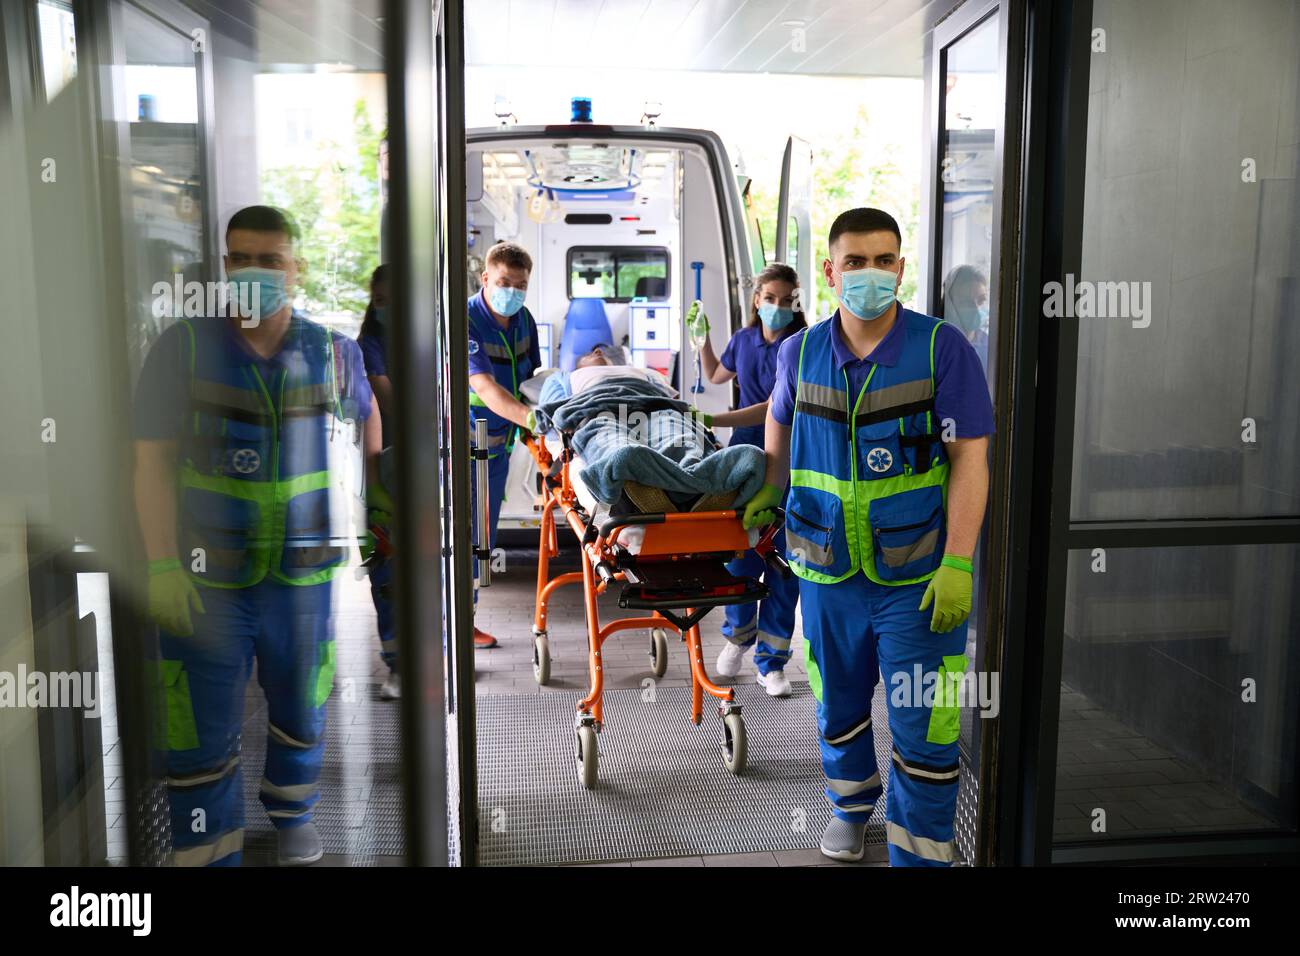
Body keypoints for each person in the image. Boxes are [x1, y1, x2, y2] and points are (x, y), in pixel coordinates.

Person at [743, 207, 994, 865]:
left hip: (921, 580)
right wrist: (772, 487)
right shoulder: (799, 351)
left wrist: (960, 562)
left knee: (928, 730)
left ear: (902, 269)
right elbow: (779, 421)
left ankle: (919, 855)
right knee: (838, 708)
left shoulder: (942, 349)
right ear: (830, 272)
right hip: (827, 576)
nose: (870, 274)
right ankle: (850, 810)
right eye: (855, 261)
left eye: (884, 261)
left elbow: (970, 459)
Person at [134, 205, 382, 866]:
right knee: (199, 729)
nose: (255, 272)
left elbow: (372, 433)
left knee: (302, 708)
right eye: (241, 258)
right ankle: (208, 851)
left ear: (294, 268)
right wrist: (161, 565)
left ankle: (292, 812)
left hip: (302, 579)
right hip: (204, 579)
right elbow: (151, 462)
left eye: (270, 259)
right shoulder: (182, 348)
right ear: (224, 266)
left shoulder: (331, 351)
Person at [686, 263, 805, 696]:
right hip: (744, 458)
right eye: (769, 297)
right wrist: (703, 341)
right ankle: (739, 634)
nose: (776, 306)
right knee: (738, 552)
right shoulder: (745, 340)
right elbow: (718, 374)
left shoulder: (800, 347)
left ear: (796, 302)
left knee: (784, 558)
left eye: (785, 299)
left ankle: (771, 662)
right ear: (757, 299)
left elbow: (774, 408)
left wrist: (710, 418)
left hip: (788, 457)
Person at [467, 242, 541, 648]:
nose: (511, 291)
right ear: (485, 279)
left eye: (520, 285)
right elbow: (485, 387)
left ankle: (465, 620)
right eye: (503, 283)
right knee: (464, 539)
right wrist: (534, 423)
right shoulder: (466, 319)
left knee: (483, 540)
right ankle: (452, 630)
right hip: (464, 447)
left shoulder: (523, 320)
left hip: (497, 448)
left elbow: (531, 382)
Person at [357, 264, 399, 699]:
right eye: (381, 299)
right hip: (381, 472)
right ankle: (398, 665)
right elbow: (388, 400)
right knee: (386, 572)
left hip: (423, 469)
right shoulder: (368, 348)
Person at [941, 264, 990, 374]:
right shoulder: (939, 345)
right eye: (966, 302)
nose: (976, 308)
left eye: (981, 300)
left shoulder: (989, 344)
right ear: (950, 306)